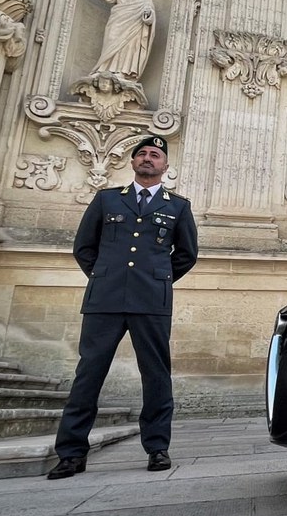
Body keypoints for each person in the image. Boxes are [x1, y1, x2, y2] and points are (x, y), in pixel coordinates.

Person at [48, 136, 198, 479]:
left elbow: (187, 255)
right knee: (88, 375)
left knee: (156, 375)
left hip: (151, 301)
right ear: (132, 162)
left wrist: (158, 279)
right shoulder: (107, 199)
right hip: (105, 299)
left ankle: (157, 447)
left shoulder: (178, 207)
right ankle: (71, 453)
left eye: (155, 155)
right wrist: (104, 276)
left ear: (165, 166)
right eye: (142, 153)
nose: (148, 158)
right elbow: (84, 247)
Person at [88, 0, 156, 79]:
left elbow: (149, 11)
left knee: (129, 48)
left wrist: (148, 15)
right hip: (117, 24)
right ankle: (103, 69)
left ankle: (122, 72)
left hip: (135, 26)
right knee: (111, 43)